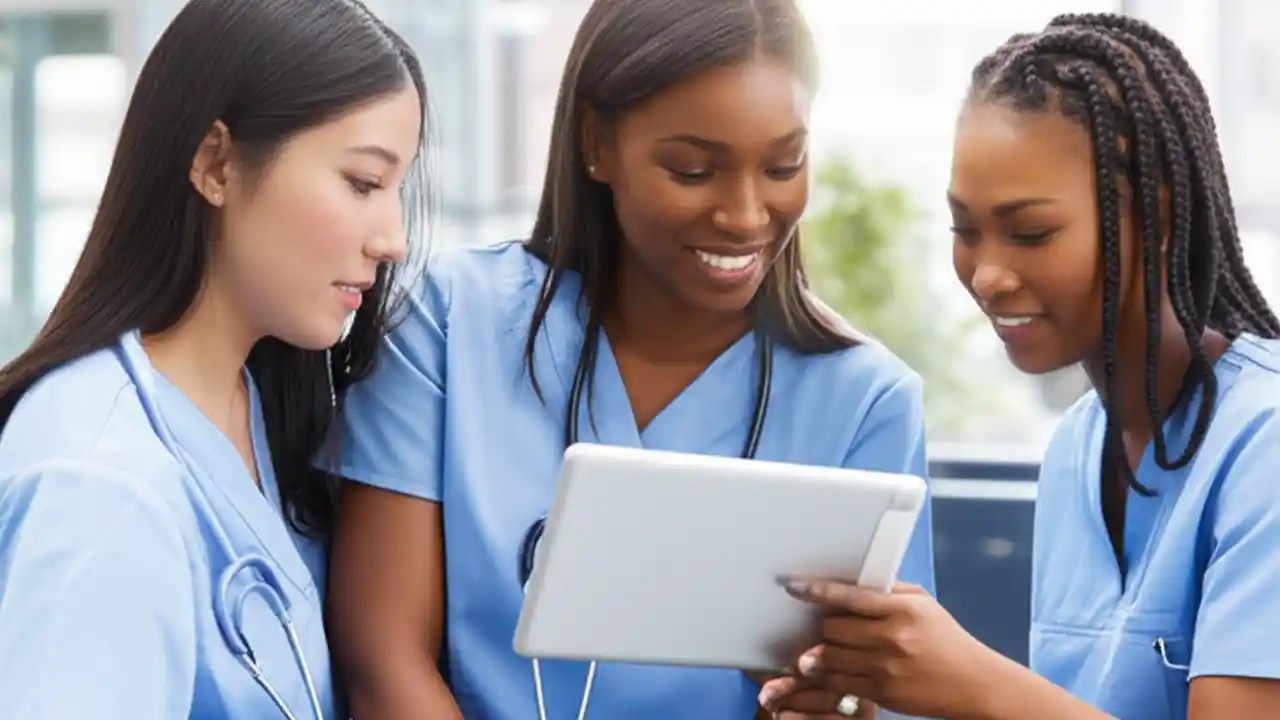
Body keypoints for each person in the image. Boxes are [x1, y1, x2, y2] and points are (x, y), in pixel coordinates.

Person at [323, 0, 935, 718]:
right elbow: (381, 659)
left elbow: (879, 696)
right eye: (692, 169)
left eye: (782, 165)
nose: (744, 214)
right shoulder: (450, 319)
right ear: (596, 143)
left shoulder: (866, 403)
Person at [760, 12, 1280, 720]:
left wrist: (974, 683)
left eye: (1031, 233)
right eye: (965, 230)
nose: (989, 274)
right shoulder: (1076, 449)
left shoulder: (1265, 444)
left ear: (1156, 218)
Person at [0, 0, 426, 718]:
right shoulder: (99, 487)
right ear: (215, 163)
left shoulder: (250, 407)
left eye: (398, 188)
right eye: (362, 183)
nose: (394, 240)